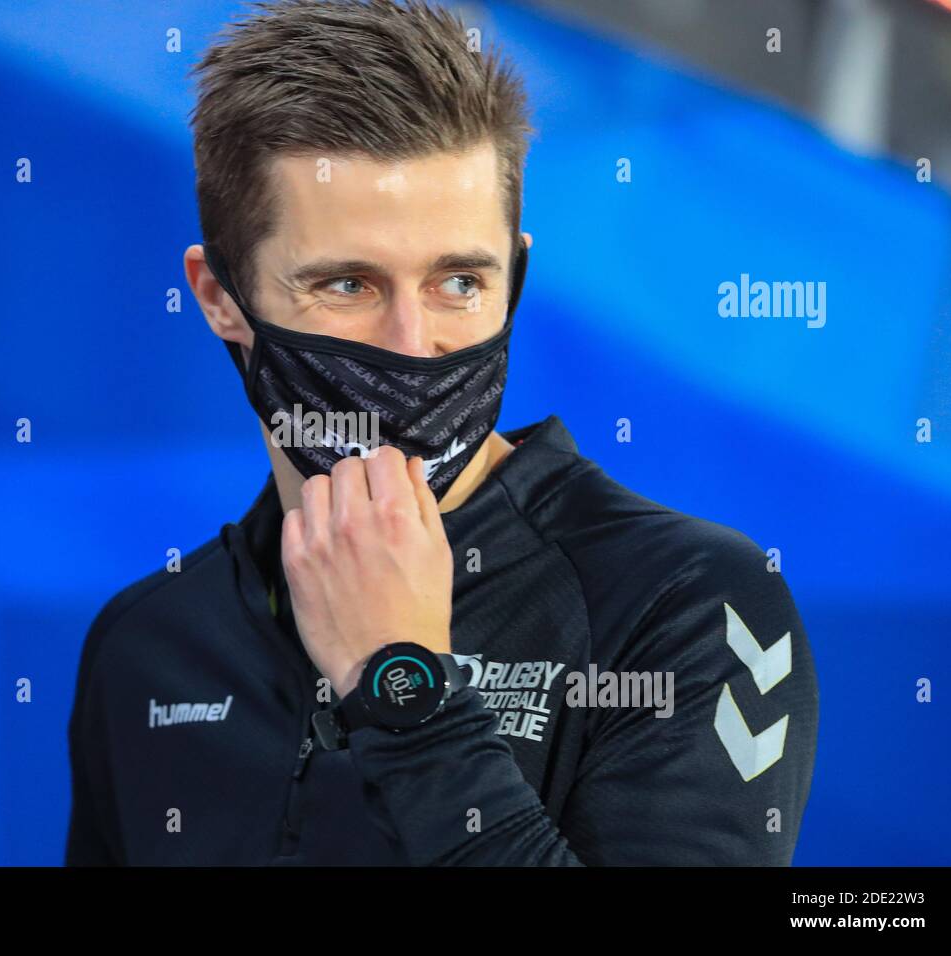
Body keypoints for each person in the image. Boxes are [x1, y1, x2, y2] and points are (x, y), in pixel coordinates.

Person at [65, 0, 818, 866]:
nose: (413, 344)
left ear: (516, 278)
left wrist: (402, 683)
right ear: (220, 298)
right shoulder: (149, 645)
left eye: (458, 281)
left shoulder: (689, 604)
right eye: (347, 285)